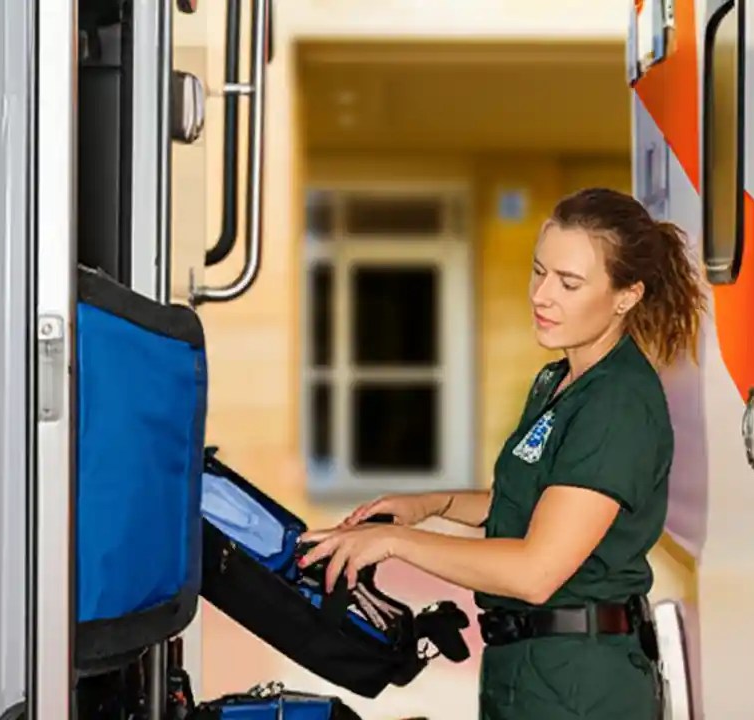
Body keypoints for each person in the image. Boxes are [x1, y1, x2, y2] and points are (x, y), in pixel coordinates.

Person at [297, 187, 706, 720]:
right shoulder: (558, 380)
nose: (541, 295)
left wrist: (396, 542)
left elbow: (535, 570)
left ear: (626, 295)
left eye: (569, 282)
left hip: (580, 685)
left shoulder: (618, 404)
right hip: (528, 669)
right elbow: (522, 502)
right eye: (540, 271)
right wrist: (431, 504)